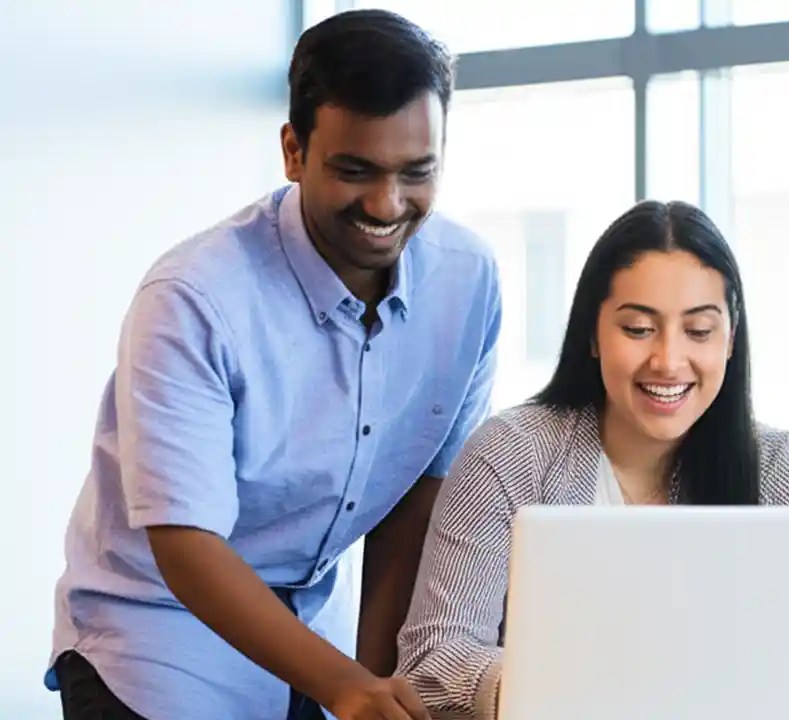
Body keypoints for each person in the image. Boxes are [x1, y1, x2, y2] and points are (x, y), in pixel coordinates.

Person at [45, 10, 500, 720]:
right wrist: (345, 686)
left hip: (310, 642)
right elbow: (185, 541)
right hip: (156, 640)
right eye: (355, 171)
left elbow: (415, 506)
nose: (387, 204)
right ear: (293, 151)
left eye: (417, 172)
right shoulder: (194, 298)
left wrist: (370, 680)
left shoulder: (469, 282)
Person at [391, 199, 789, 719]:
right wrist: (552, 688)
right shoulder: (512, 452)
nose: (668, 362)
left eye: (698, 331)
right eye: (638, 329)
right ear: (593, 335)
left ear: (730, 339)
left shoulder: (779, 468)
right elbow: (430, 663)